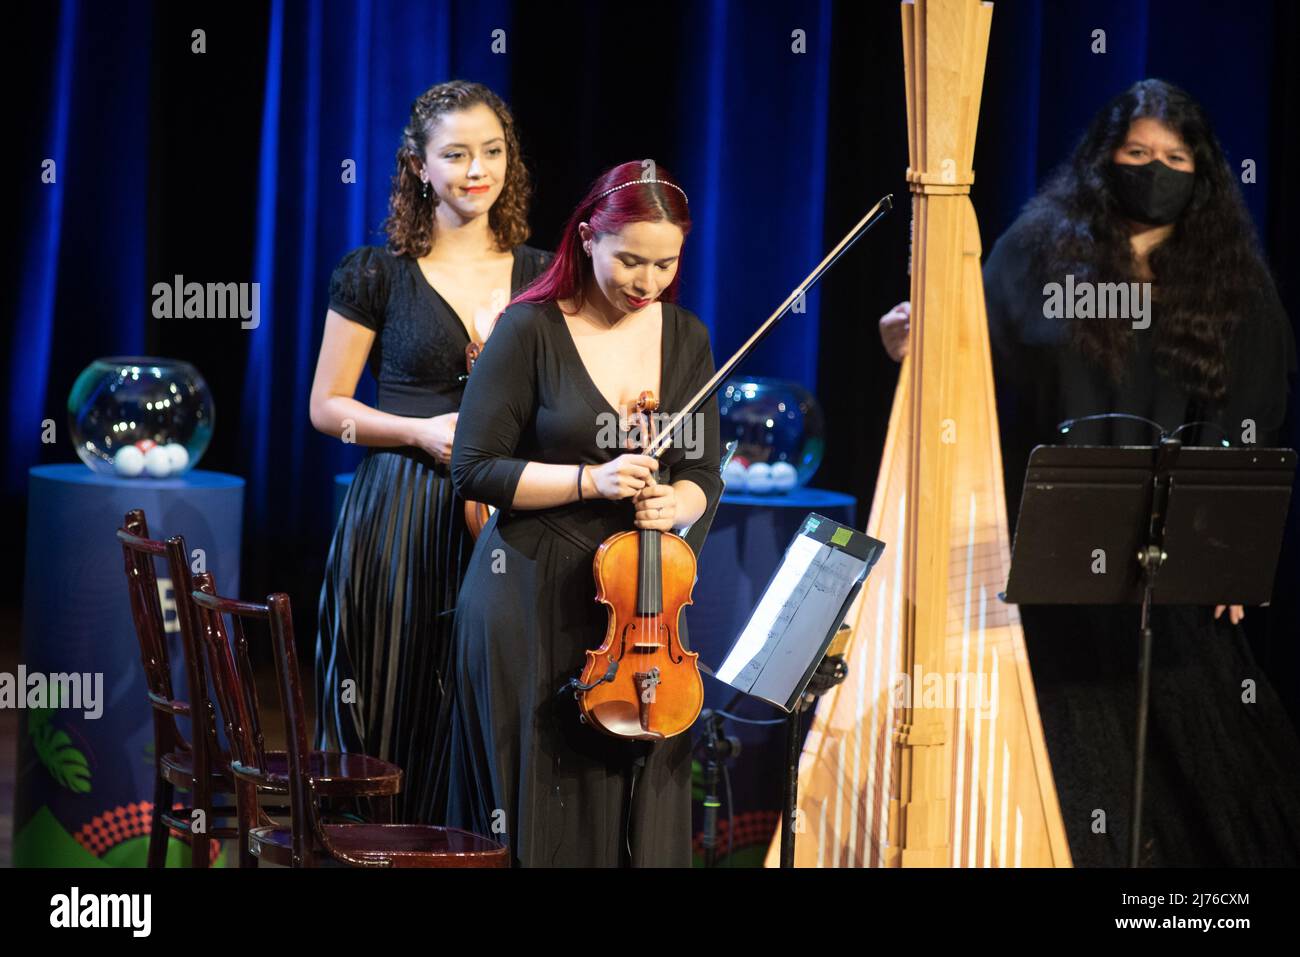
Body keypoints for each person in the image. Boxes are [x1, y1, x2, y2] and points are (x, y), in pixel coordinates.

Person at [879, 79, 1300, 866]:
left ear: (1203, 172)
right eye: (1136, 153)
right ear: (1103, 157)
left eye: (1175, 158)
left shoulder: (1232, 280)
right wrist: (918, 342)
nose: (1154, 169)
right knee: (1064, 776)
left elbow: (1253, 417)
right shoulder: (1039, 251)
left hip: (1174, 569)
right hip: (1048, 560)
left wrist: (1229, 551)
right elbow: (974, 365)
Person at [435, 161, 723, 866]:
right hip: (529, 594)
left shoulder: (686, 338)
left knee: (639, 794)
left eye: (665, 263)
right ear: (588, 236)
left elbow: (703, 474)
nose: (646, 281)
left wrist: (674, 503)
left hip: (638, 608)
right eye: (629, 259)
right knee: (541, 803)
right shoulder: (528, 329)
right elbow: (474, 467)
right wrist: (591, 480)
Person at [308, 81, 551, 824]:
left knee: (480, 702)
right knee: (391, 686)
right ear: (418, 165)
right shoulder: (374, 272)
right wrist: (419, 430)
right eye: (455, 155)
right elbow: (327, 407)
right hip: (401, 510)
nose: (477, 169)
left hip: (506, 511)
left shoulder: (546, 273)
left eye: (491, 152)